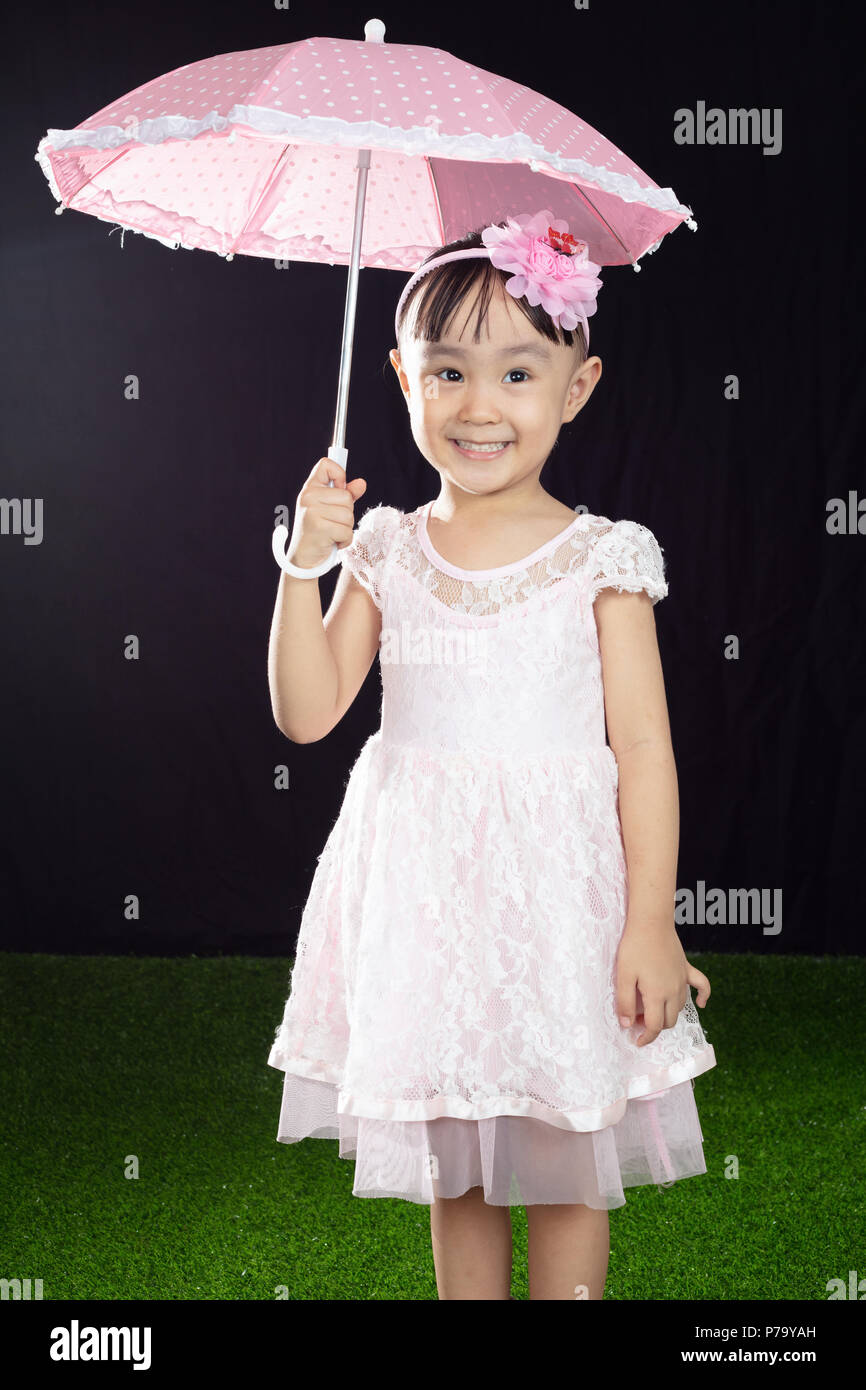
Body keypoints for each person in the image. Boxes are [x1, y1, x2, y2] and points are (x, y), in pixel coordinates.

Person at [266, 209, 716, 1301]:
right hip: (424, 898)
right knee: (452, 1161)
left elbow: (644, 750)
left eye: (518, 373)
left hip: (558, 899)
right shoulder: (380, 549)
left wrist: (649, 920)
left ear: (576, 384)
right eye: (448, 371)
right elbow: (308, 713)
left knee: (562, 1158)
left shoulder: (600, 559)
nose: (478, 405)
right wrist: (301, 567)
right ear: (401, 377)